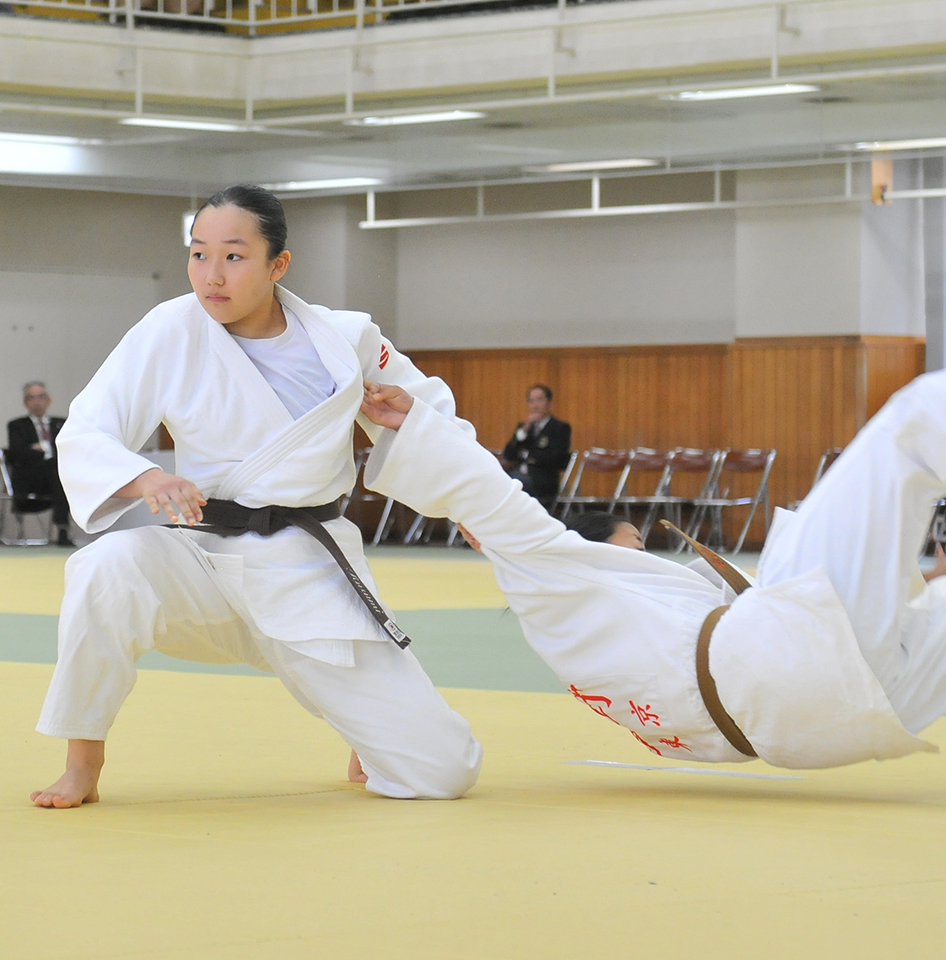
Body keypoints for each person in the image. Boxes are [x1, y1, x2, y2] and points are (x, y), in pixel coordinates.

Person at [353, 354, 946, 773]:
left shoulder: (614, 614)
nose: (631, 535)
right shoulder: (552, 578)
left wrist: (924, 586)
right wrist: (418, 424)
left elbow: (794, 631)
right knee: (909, 427)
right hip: (783, 674)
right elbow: (490, 501)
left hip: (822, 722)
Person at [31, 184, 481, 809]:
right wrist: (145, 478)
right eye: (198, 254)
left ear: (279, 264)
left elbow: (431, 415)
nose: (210, 276)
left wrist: (474, 506)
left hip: (304, 567)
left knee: (442, 773)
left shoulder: (344, 340)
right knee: (103, 567)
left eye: (234, 257)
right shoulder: (169, 330)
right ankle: (83, 760)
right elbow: (87, 428)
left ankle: (362, 721)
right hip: (202, 562)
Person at [6, 381, 72, 545]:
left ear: (48, 400)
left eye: (41, 397)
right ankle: (62, 527)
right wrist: (42, 451)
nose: (37, 402)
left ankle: (63, 527)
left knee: (58, 470)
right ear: (25, 402)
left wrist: (39, 448)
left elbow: (69, 450)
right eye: (31, 397)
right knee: (55, 467)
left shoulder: (61, 424)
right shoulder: (17, 426)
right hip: (31, 479)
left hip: (56, 478)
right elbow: (18, 454)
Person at [501, 384, 572, 511]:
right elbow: (509, 454)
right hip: (519, 474)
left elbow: (556, 458)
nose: (535, 405)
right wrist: (523, 431)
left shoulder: (559, 428)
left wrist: (527, 456)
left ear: (549, 403)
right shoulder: (524, 428)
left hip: (542, 479)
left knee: (512, 484)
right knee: (497, 480)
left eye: (540, 400)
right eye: (531, 401)